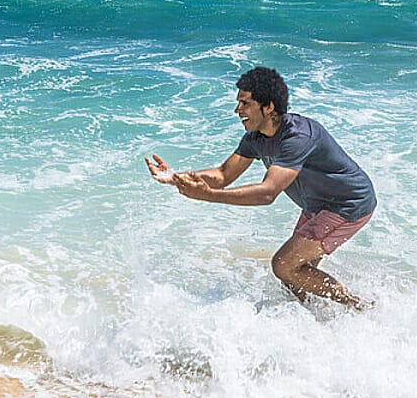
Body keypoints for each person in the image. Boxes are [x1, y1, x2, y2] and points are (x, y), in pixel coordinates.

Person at [146, 66, 375, 309]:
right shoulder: (256, 138)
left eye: (245, 103)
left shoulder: (298, 137)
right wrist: (175, 177)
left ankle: (360, 307)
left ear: (269, 107)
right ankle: (317, 321)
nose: (238, 110)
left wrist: (208, 196)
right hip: (317, 205)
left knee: (284, 265)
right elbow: (223, 175)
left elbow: (268, 193)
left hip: (348, 204)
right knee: (292, 276)